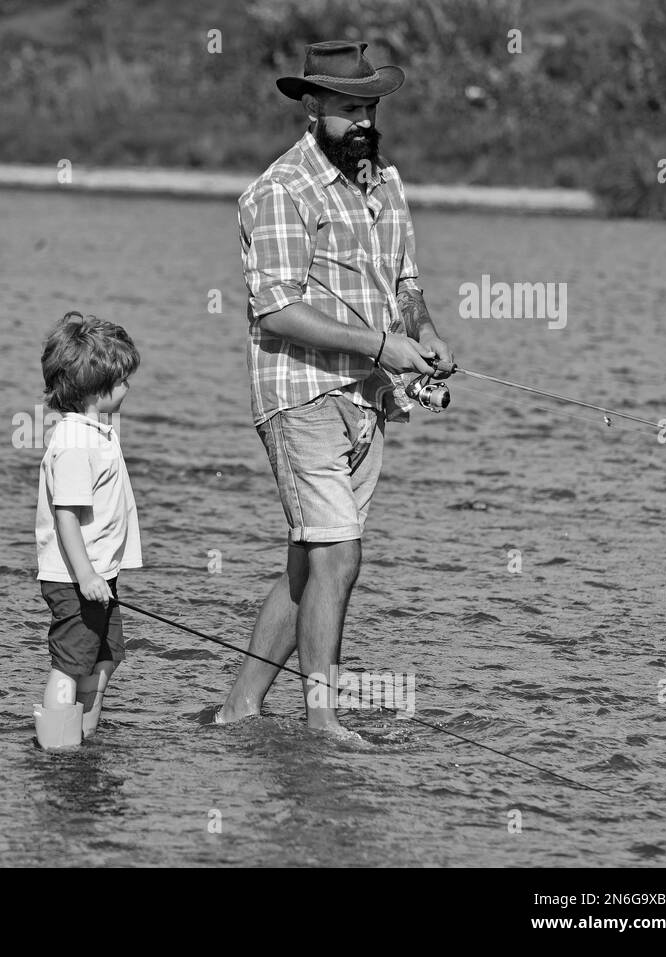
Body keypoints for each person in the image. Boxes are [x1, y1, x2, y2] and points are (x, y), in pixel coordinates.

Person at [216, 41, 456, 737]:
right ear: (312, 105)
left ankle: (240, 706)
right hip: (299, 394)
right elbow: (278, 310)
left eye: (370, 107)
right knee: (340, 554)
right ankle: (322, 717)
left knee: (313, 556)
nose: (362, 120)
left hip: (368, 397)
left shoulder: (387, 181)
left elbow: (404, 284)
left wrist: (425, 331)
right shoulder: (278, 191)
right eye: (349, 107)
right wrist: (384, 345)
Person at [32, 312, 141, 749]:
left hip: (97, 576)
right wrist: (87, 576)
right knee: (70, 663)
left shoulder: (97, 432)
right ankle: (57, 746)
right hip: (76, 578)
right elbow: (66, 518)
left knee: (106, 656)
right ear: (98, 389)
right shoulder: (75, 444)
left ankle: (83, 734)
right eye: (123, 380)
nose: (129, 387)